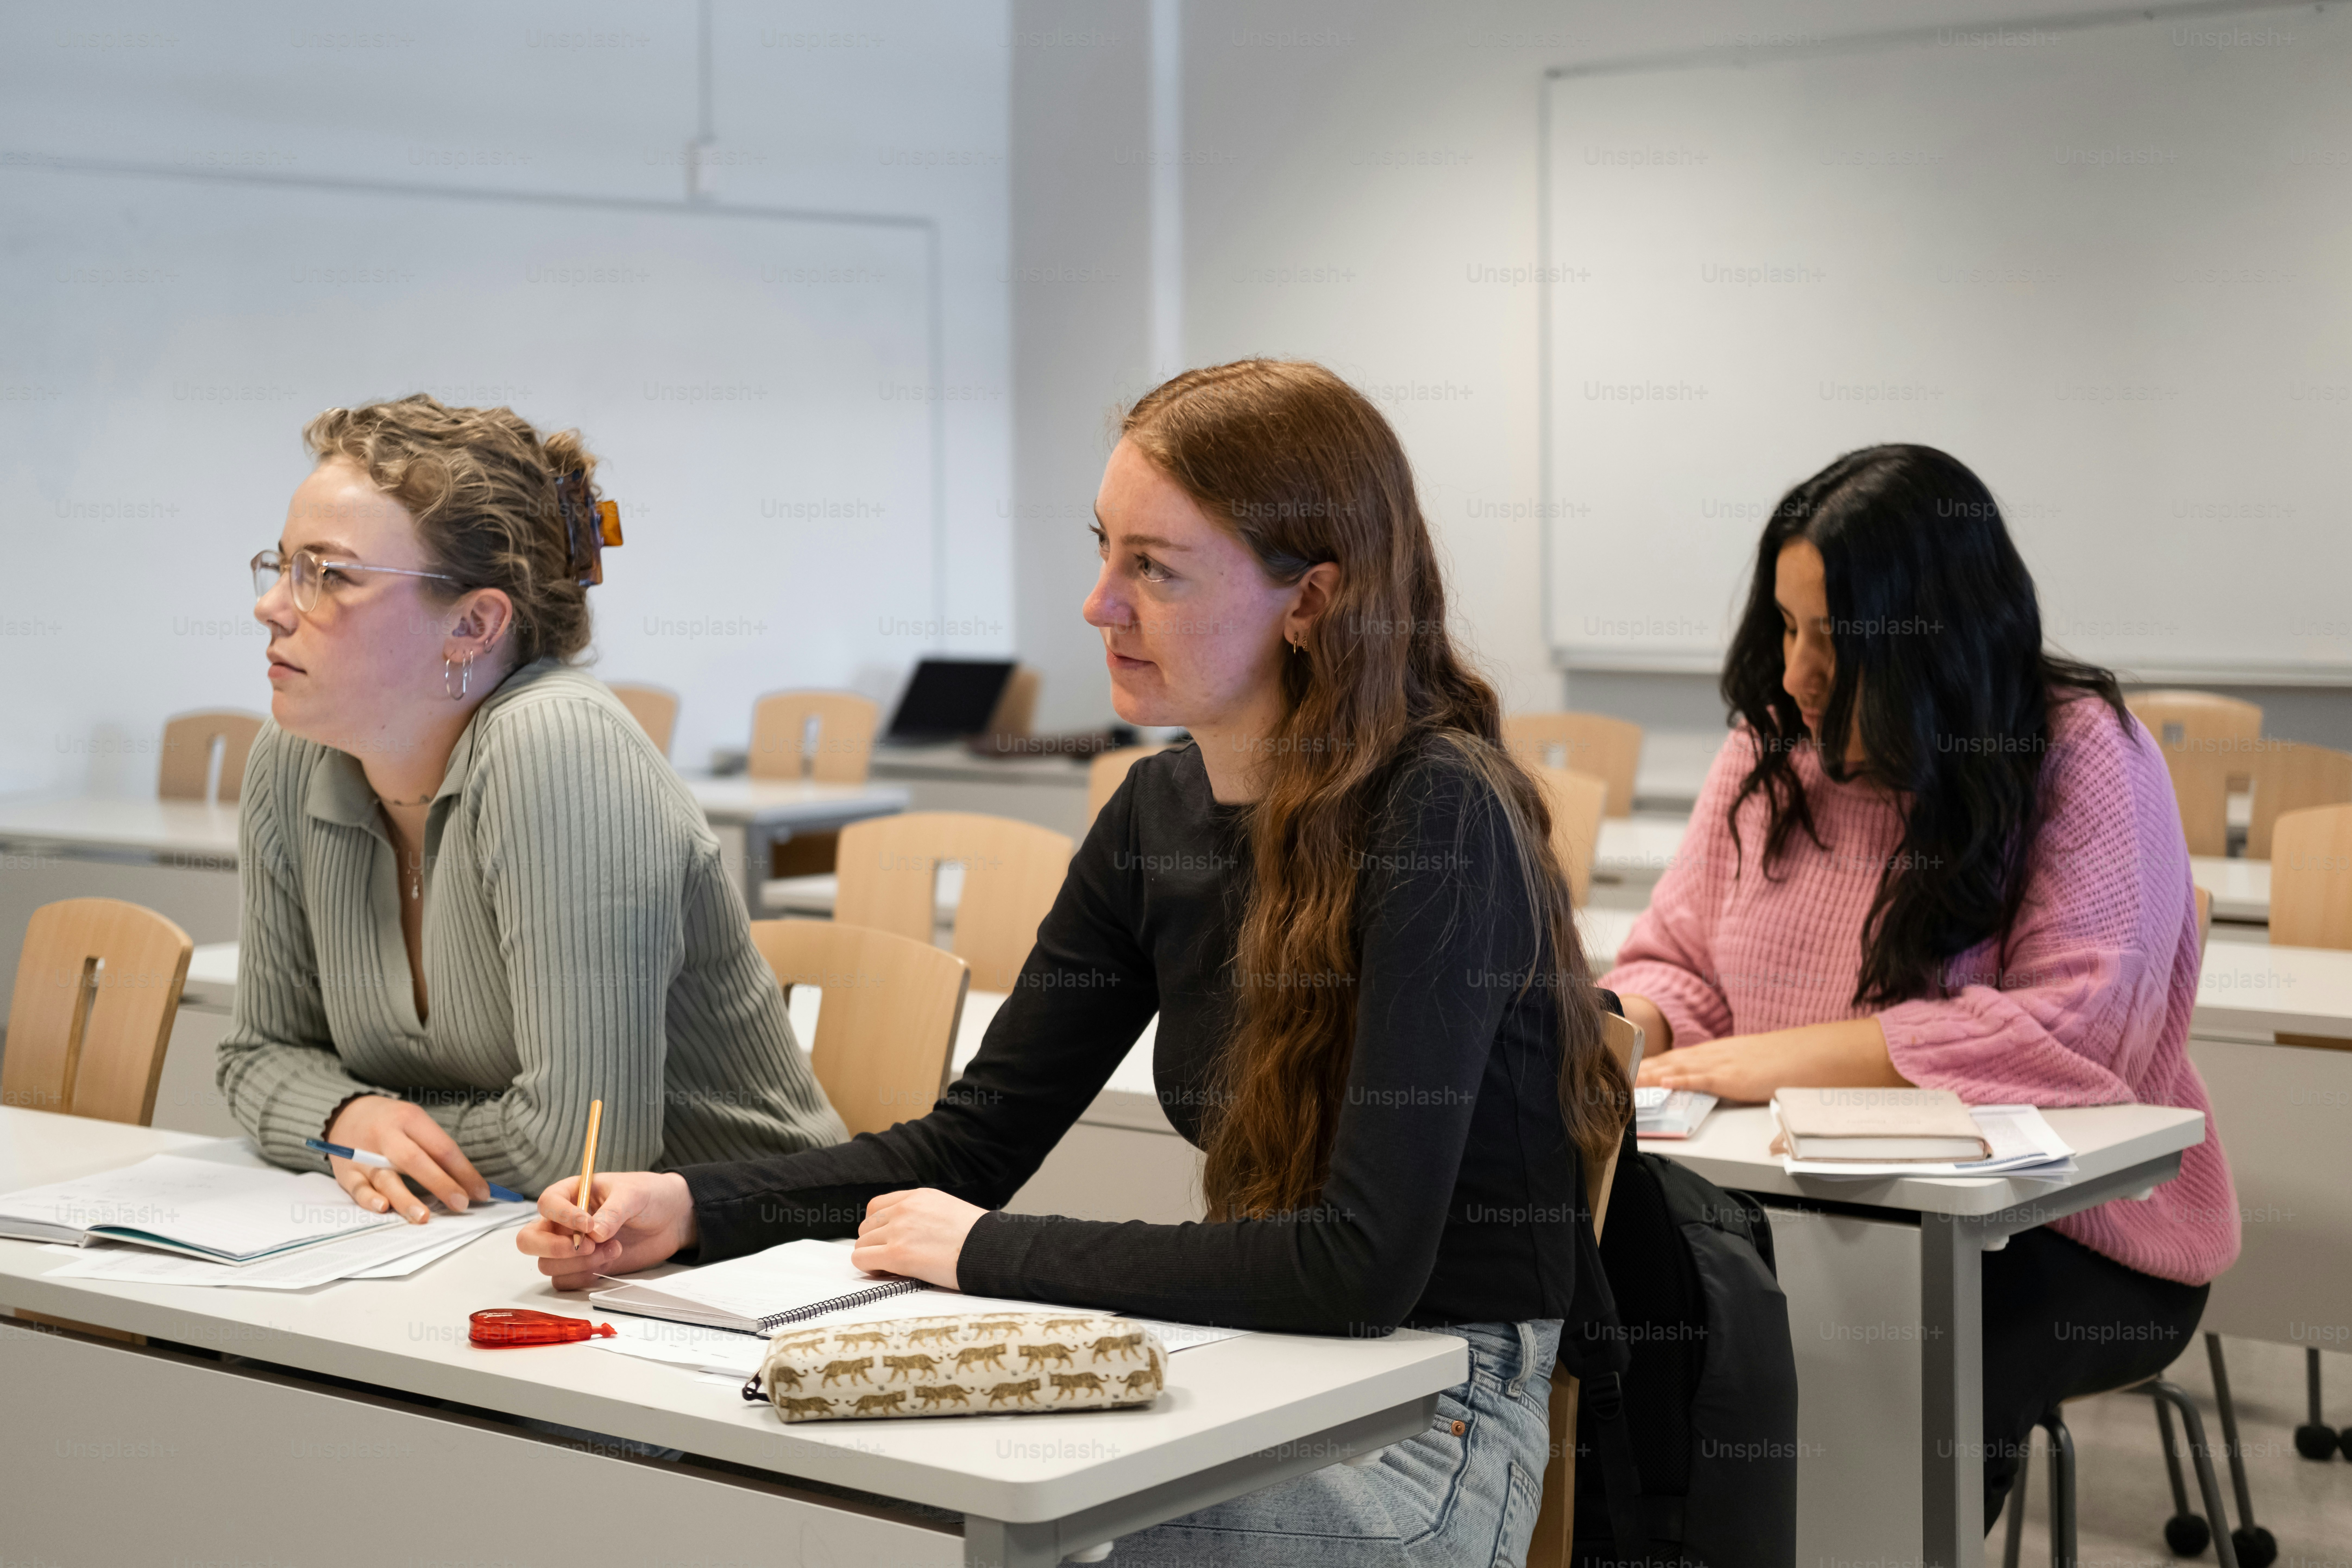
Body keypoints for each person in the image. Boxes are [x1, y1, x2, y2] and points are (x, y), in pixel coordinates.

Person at [517, 360, 1628, 1566]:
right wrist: (689, 1205)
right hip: (1265, 1370)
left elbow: (1356, 1265)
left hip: (1430, 1411)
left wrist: (981, 1249)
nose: (1098, 604)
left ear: (1308, 602)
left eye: (1153, 567)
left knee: (1041, 1544)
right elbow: (968, 1147)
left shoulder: (1438, 814)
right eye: (1104, 550)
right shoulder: (1157, 808)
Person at [1604, 443, 2238, 1527]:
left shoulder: (2080, 750)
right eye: (1787, 627)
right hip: (1786, 1205)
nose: (1796, 673)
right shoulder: (1770, 747)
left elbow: (2078, 1033)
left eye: (1834, 640)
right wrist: (1618, 1025)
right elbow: (1678, 960)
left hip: (2067, 1236)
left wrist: (1784, 1058)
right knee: (1622, 1332)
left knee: (1892, 1376)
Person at [219, 394, 845, 1222]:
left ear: (474, 624)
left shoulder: (556, 746)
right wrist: (346, 1118)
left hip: (741, 1265)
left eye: (328, 575)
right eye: (283, 565)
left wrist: (369, 1147)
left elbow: (580, 1151)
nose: (272, 606)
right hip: (493, 1238)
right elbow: (258, 1055)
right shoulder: (295, 756)